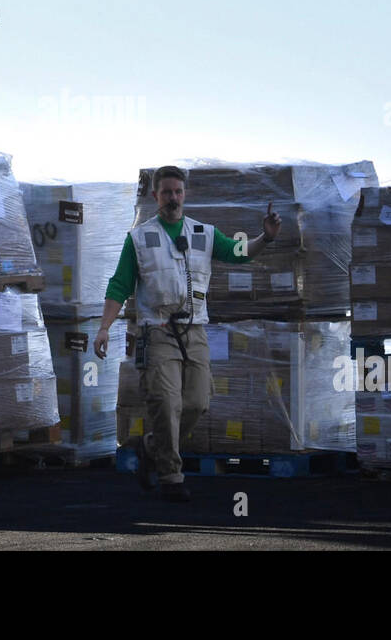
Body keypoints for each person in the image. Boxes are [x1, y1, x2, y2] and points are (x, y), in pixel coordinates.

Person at [93, 165, 280, 502]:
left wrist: (264, 237)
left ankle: (152, 446)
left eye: (178, 192)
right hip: (158, 330)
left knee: (196, 403)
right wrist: (104, 327)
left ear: (185, 194)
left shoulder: (203, 233)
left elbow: (238, 254)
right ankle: (171, 477)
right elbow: (119, 285)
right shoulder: (138, 239)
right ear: (155, 197)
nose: (173, 198)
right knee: (166, 403)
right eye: (166, 193)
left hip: (195, 331)